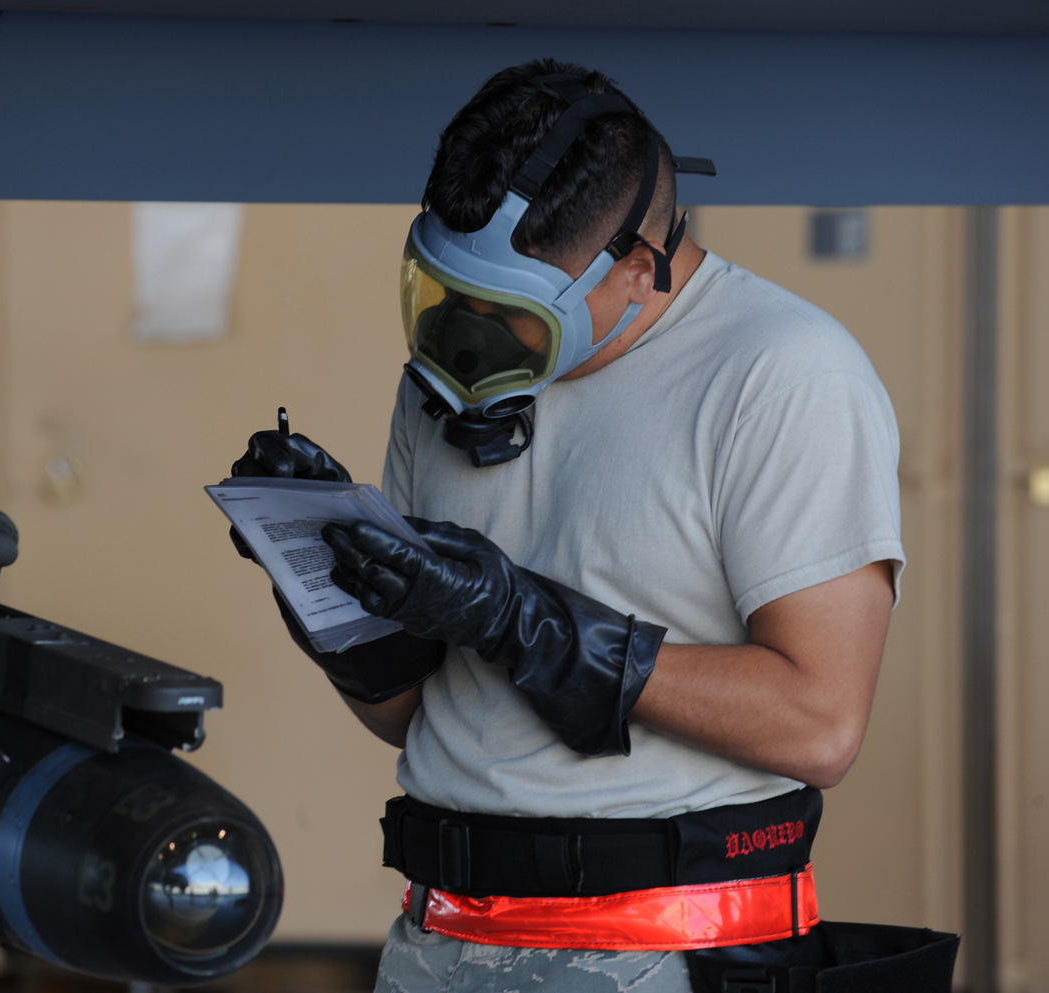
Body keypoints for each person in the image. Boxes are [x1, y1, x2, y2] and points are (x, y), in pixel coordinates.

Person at [228, 59, 905, 992]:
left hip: (663, 948)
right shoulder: (444, 383)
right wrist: (329, 589)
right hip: (439, 936)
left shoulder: (783, 375)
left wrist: (519, 617)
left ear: (637, 268)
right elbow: (417, 719)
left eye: (511, 314)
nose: (472, 335)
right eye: (453, 296)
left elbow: (820, 723)